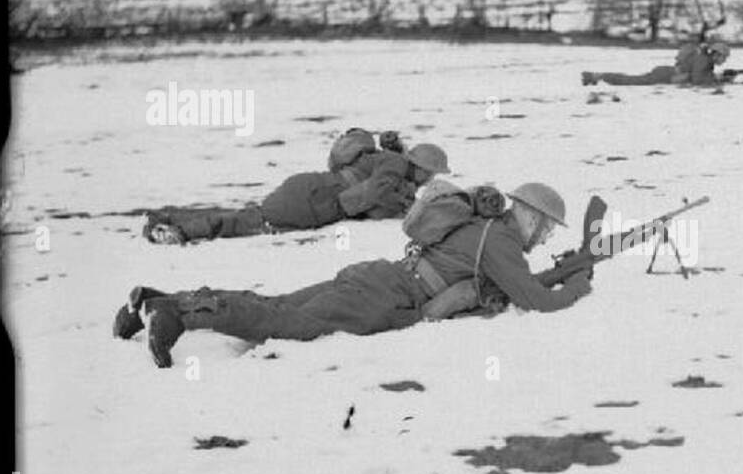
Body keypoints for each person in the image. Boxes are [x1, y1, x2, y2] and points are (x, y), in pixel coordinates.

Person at [113, 183, 592, 368]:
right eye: (547, 226)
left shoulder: (486, 229)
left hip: (379, 276)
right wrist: (578, 284)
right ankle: (177, 317)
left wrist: (559, 271)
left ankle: (159, 302)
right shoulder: (502, 240)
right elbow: (535, 301)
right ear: (529, 216)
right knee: (283, 323)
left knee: (277, 303)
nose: (547, 236)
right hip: (384, 297)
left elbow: (519, 284)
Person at [143, 133, 451, 244]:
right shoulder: (395, 167)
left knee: (247, 216)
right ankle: (179, 231)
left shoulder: (392, 166)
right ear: (423, 168)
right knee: (248, 221)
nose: (429, 180)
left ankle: (168, 217)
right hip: (313, 199)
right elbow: (373, 197)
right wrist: (409, 210)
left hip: (310, 189)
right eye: (432, 174)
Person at [581, 39, 731, 87]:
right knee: (631, 81)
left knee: (632, 79)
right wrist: (717, 81)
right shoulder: (703, 60)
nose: (724, 61)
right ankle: (597, 76)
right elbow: (698, 80)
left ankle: (597, 76)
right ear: (716, 54)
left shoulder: (703, 58)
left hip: (665, 73)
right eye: (723, 57)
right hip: (664, 75)